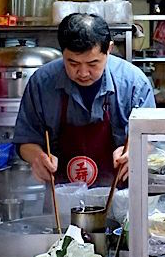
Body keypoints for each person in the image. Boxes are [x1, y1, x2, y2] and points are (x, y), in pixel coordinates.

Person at [13, 13, 155, 187]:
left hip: (121, 197)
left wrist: (134, 151)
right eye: (72, 63)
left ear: (109, 49)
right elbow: (26, 139)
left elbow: (150, 140)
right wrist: (38, 157)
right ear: (62, 52)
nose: (83, 73)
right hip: (61, 201)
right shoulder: (42, 82)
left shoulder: (134, 83)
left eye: (93, 63)